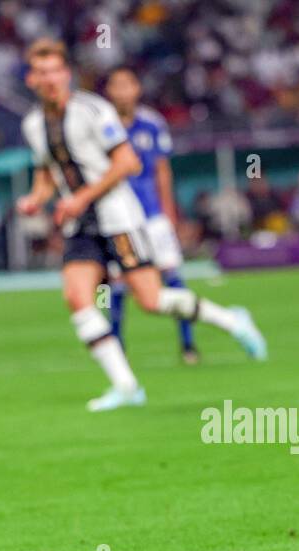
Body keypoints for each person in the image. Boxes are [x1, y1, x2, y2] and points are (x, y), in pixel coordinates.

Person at [13, 39, 266, 413]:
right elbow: (48, 171)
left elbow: (128, 162)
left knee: (151, 301)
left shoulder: (93, 110)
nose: (49, 79)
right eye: (41, 72)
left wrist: (82, 197)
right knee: (76, 297)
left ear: (66, 74)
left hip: (118, 217)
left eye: (54, 71)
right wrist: (36, 198)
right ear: (31, 79)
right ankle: (126, 385)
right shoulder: (33, 124)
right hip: (81, 226)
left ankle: (230, 319)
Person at [102, 66, 198, 363]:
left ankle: (188, 344)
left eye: (127, 84)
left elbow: (162, 170)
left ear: (137, 89)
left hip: (152, 215)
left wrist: (169, 212)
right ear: (109, 91)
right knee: (117, 285)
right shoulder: (102, 125)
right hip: (120, 218)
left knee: (172, 277)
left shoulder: (152, 123)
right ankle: (116, 347)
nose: (122, 91)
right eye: (116, 85)